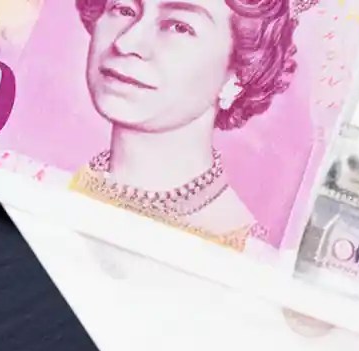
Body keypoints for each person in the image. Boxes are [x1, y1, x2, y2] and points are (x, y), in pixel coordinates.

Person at [69, 0, 300, 251]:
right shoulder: (53, 183)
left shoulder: (239, 248)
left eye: (179, 27)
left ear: (239, 73)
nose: (126, 42)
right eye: (124, 10)